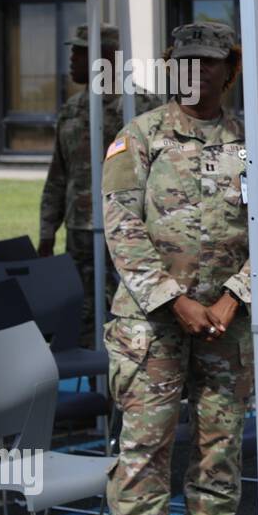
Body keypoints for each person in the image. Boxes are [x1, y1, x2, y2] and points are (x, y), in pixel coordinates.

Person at [90, 21, 258, 515]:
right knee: (144, 448)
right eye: (185, 62)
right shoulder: (141, 136)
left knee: (219, 445)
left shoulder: (249, 141)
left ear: (230, 71)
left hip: (224, 328)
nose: (197, 72)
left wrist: (237, 298)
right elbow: (121, 227)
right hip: (151, 326)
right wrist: (172, 299)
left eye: (210, 63)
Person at [38, 24, 162, 344]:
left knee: (129, 316)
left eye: (79, 51)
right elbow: (58, 176)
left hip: (131, 232)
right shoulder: (71, 110)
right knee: (80, 317)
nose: (71, 59)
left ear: (105, 58)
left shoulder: (144, 109)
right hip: (80, 233)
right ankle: (93, 387)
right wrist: (47, 232)